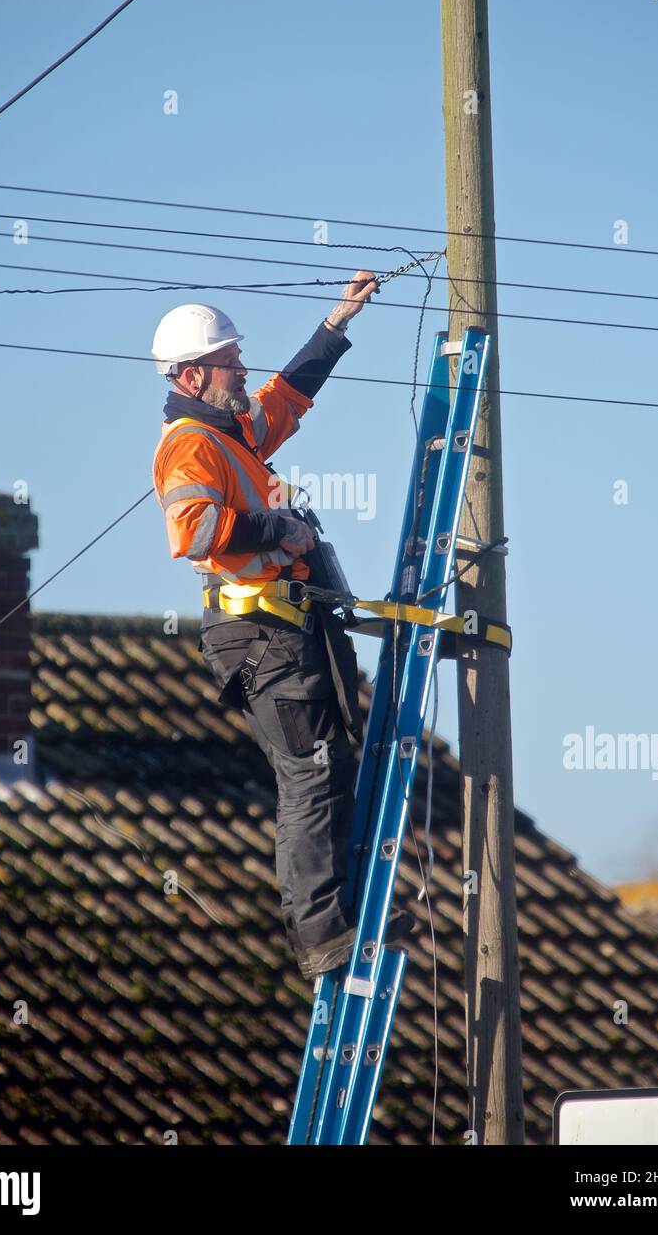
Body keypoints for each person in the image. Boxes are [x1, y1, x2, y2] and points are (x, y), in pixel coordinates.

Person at [150, 271, 415, 978]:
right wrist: (283, 531)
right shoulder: (190, 446)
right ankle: (325, 936)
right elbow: (196, 529)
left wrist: (339, 321)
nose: (243, 368)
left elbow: (288, 395)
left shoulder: (233, 433)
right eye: (231, 361)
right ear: (194, 374)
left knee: (329, 769)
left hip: (287, 634)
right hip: (262, 639)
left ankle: (344, 916)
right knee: (310, 774)